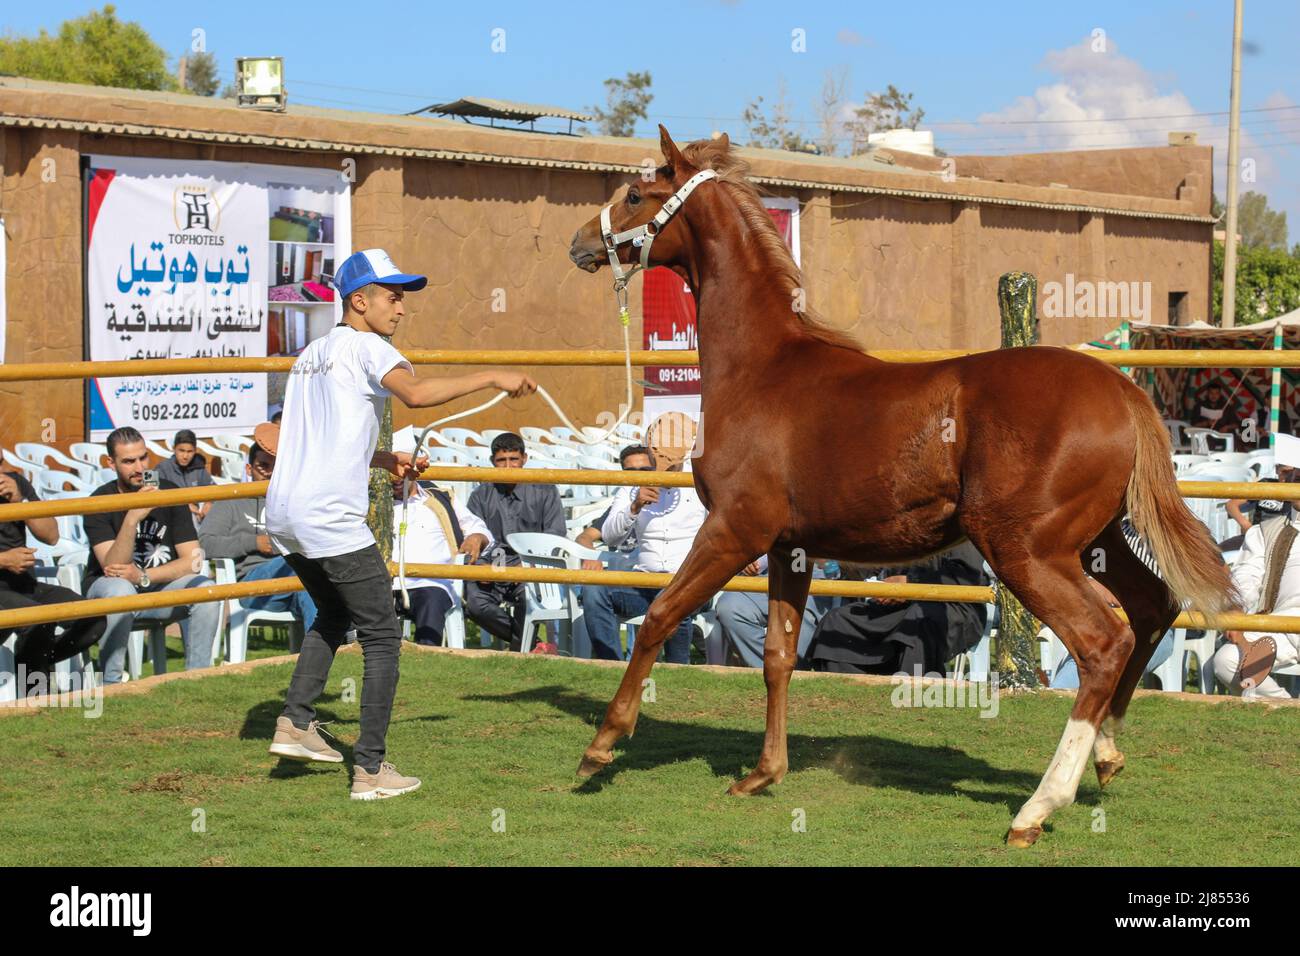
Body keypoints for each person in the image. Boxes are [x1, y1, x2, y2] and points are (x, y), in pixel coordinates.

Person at [264, 247, 536, 801]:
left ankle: (294, 722)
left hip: (285, 514)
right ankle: (370, 769)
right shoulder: (369, 347)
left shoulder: (311, 354)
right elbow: (414, 395)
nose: (401, 308)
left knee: (336, 612)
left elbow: (310, 436)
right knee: (385, 634)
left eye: (402, 297)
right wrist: (492, 376)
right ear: (358, 300)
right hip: (329, 518)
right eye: (393, 296)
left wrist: (385, 460)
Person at [83, 426, 221, 683]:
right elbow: (113, 567)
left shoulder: (168, 491)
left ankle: (199, 679)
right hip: (106, 592)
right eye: (128, 461)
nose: (138, 468)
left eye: (143, 458)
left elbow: (193, 560)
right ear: (110, 463)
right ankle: (111, 683)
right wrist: (132, 518)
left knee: (206, 590)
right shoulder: (98, 500)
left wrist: (144, 576)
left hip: (157, 588)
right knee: (121, 591)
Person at [580, 414, 708, 663]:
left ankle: (677, 671)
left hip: (689, 585)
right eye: (659, 447)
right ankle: (611, 665)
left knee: (671, 600)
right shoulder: (634, 485)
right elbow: (611, 537)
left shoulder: (703, 481)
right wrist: (634, 507)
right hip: (642, 583)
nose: (664, 454)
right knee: (594, 590)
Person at [199, 422, 317, 631]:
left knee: (311, 588)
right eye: (263, 465)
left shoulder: (293, 501)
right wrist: (253, 542)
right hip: (251, 584)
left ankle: (324, 657)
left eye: (275, 466)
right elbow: (205, 543)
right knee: (303, 566)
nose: (270, 472)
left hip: (294, 584)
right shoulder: (231, 500)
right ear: (248, 468)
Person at [806, 542, 989, 676]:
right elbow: (876, 561)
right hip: (903, 606)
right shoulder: (907, 524)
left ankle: (911, 699)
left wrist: (910, 584)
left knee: (918, 622)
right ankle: (851, 695)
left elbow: (965, 577)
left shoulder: (958, 528)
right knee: (837, 621)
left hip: (956, 608)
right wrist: (842, 563)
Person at [0, 462, 106, 677]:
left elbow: (51, 536)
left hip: (28, 586)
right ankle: (34, 693)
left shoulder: (15, 483)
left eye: (0, 462)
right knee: (39, 620)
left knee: (93, 618)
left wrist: (21, 502)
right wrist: (3, 560)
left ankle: (26, 663)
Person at [464, 433, 566, 652]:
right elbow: (471, 534)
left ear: (525, 459)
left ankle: (522, 650)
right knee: (474, 605)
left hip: (530, 566)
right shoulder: (480, 495)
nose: (508, 466)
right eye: (501, 460)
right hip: (492, 566)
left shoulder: (545, 490)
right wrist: (481, 565)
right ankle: (532, 645)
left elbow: (555, 536)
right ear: (492, 462)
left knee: (527, 600)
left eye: (514, 459)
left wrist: (526, 567)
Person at [391, 456, 492, 646]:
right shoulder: (373, 502)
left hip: (431, 581)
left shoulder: (440, 497)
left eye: (401, 471)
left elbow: (477, 526)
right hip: (385, 582)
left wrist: (476, 537)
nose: (396, 477)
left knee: (431, 598)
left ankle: (427, 658)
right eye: (390, 471)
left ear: (413, 470)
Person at [1212, 500, 1300, 700]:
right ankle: (1287, 709)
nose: (1297, 478)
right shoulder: (1266, 530)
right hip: (1281, 624)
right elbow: (1246, 575)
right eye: (1295, 474)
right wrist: (1236, 608)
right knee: (1226, 661)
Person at [715, 556, 834, 668]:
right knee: (729, 608)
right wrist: (747, 558)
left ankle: (792, 673)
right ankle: (769, 669)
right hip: (766, 573)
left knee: (799, 614)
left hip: (815, 574)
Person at [155, 429, 214, 528]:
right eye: (181, 451)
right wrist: (185, 505)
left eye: (189, 451)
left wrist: (210, 502)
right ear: (174, 449)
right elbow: (154, 496)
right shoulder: (162, 469)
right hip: (170, 518)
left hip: (197, 517)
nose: (185, 456)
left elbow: (214, 489)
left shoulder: (198, 467)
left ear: (195, 451)